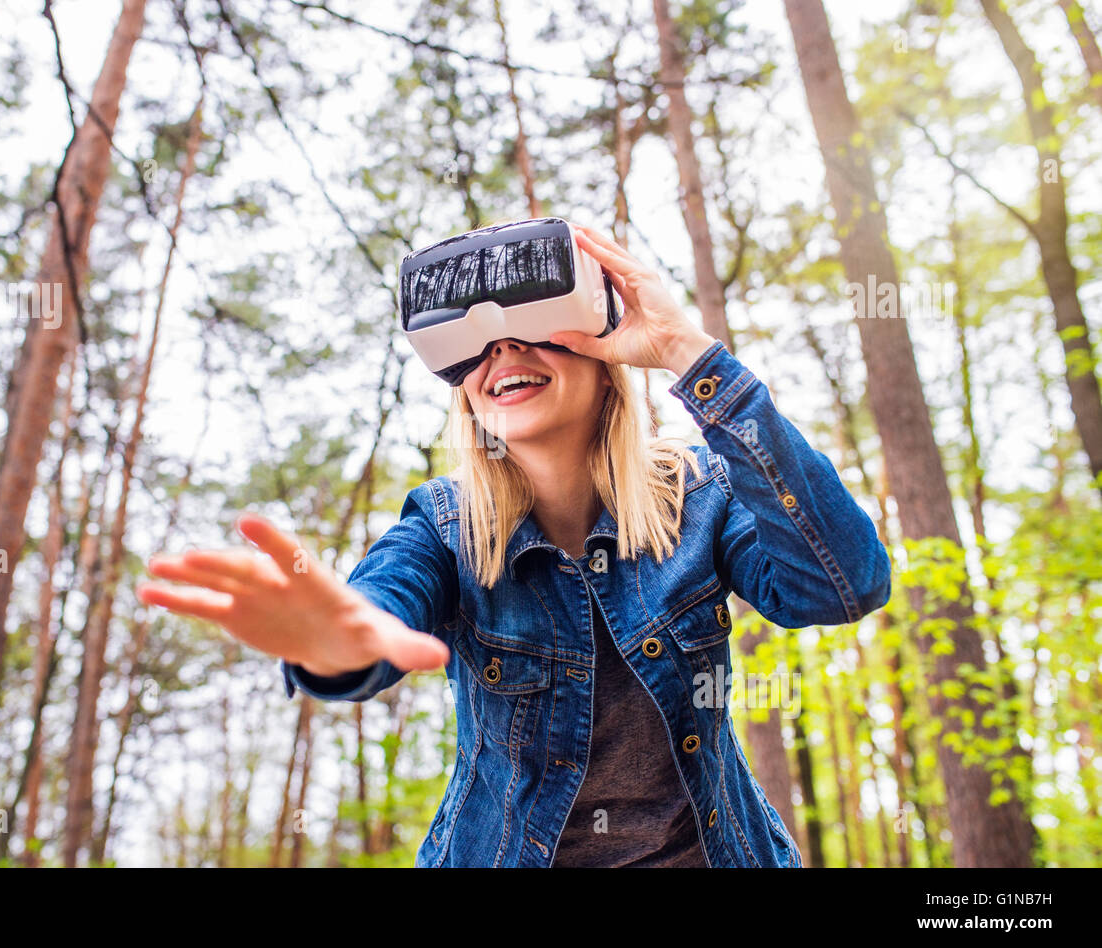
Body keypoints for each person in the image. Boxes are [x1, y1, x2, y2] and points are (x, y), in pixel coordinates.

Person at [137, 221, 891, 867]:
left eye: (531, 329)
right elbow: (376, 613)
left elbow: (842, 582)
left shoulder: (699, 496)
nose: (501, 353)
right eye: (475, 345)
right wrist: (336, 642)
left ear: (603, 360)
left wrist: (691, 356)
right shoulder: (442, 526)